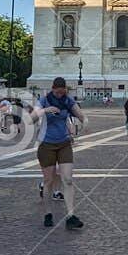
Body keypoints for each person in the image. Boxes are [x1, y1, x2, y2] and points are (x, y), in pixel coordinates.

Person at [37, 76, 84, 229]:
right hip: (46, 144)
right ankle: (48, 213)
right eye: (57, 93)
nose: (59, 95)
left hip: (64, 143)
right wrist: (45, 110)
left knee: (68, 179)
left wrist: (84, 121)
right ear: (52, 89)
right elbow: (30, 118)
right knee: (49, 181)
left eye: (62, 93)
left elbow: (80, 115)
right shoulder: (44, 100)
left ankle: (71, 216)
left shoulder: (68, 100)